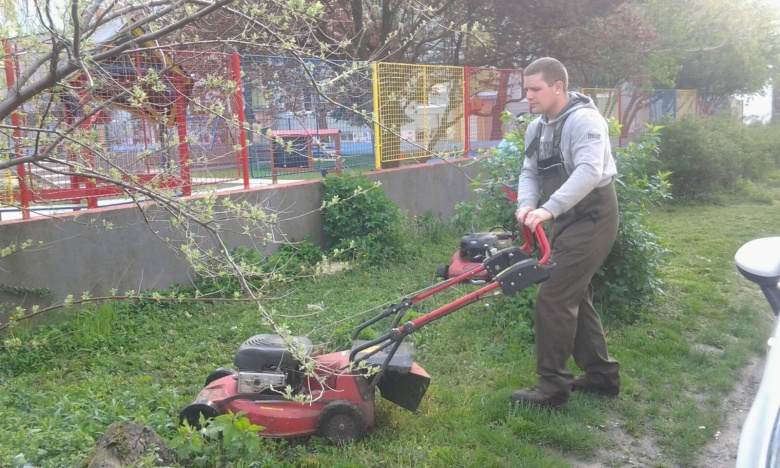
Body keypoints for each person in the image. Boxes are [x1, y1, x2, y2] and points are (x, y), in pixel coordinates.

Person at [511, 57, 620, 408]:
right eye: (525, 89)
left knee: (554, 295)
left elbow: (589, 171)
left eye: (535, 89)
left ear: (558, 87)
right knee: (574, 293)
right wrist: (527, 204)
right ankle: (602, 376)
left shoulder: (585, 121)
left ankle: (553, 386)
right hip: (563, 215)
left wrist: (548, 209)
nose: (528, 96)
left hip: (593, 214)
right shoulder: (537, 127)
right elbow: (529, 171)